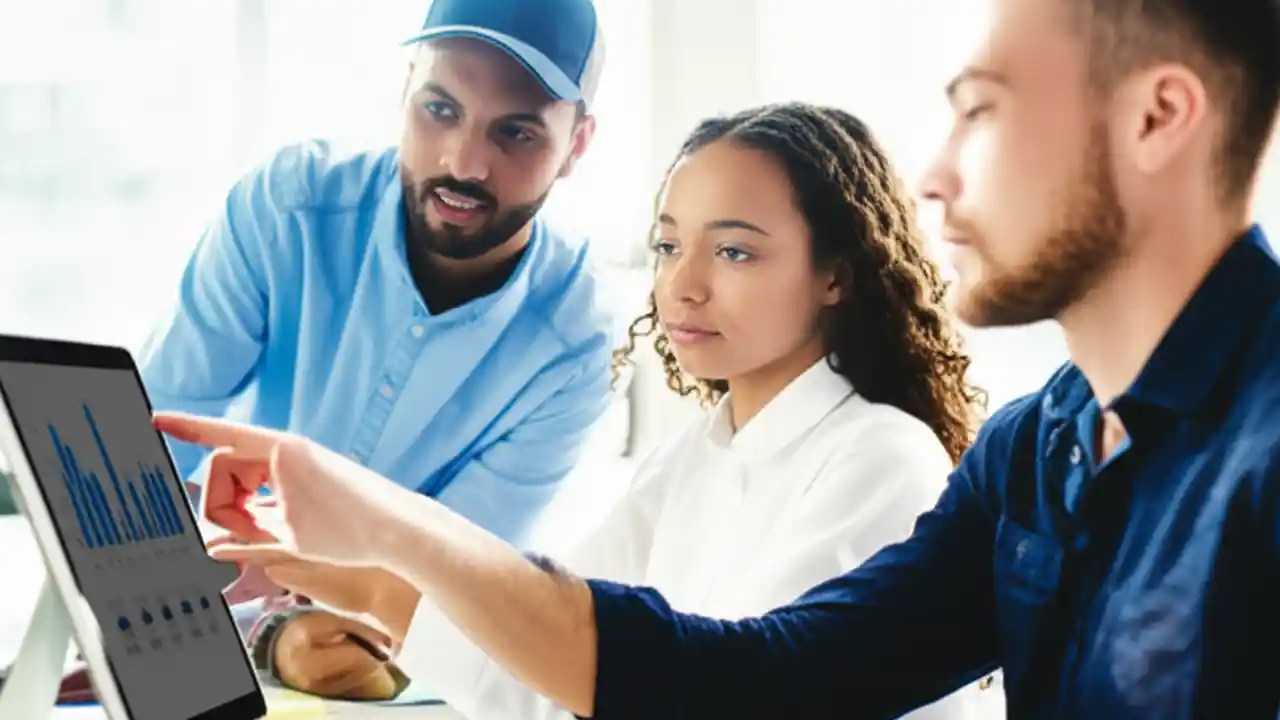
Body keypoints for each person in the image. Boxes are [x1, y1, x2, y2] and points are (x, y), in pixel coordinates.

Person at [158, 0, 1280, 717]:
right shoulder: (1029, 455)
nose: (932, 177)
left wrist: (384, 537)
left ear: (1156, 117)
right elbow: (751, 681)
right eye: (666, 247)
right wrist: (354, 543)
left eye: (979, 113)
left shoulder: (1254, 447)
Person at [233, 103, 990, 718]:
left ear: (837, 277)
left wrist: (382, 543)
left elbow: (721, 697)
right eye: (667, 247)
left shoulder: (880, 459)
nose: (682, 285)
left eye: (733, 252)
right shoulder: (693, 459)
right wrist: (339, 572)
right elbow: (540, 659)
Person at [138, 0, 612, 562]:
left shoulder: (574, 348)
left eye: (516, 133)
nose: (463, 164)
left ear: (575, 146)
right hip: (207, 603)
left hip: (378, 643)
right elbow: (148, 442)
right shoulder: (288, 212)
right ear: (407, 88)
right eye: (440, 109)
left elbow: (458, 578)